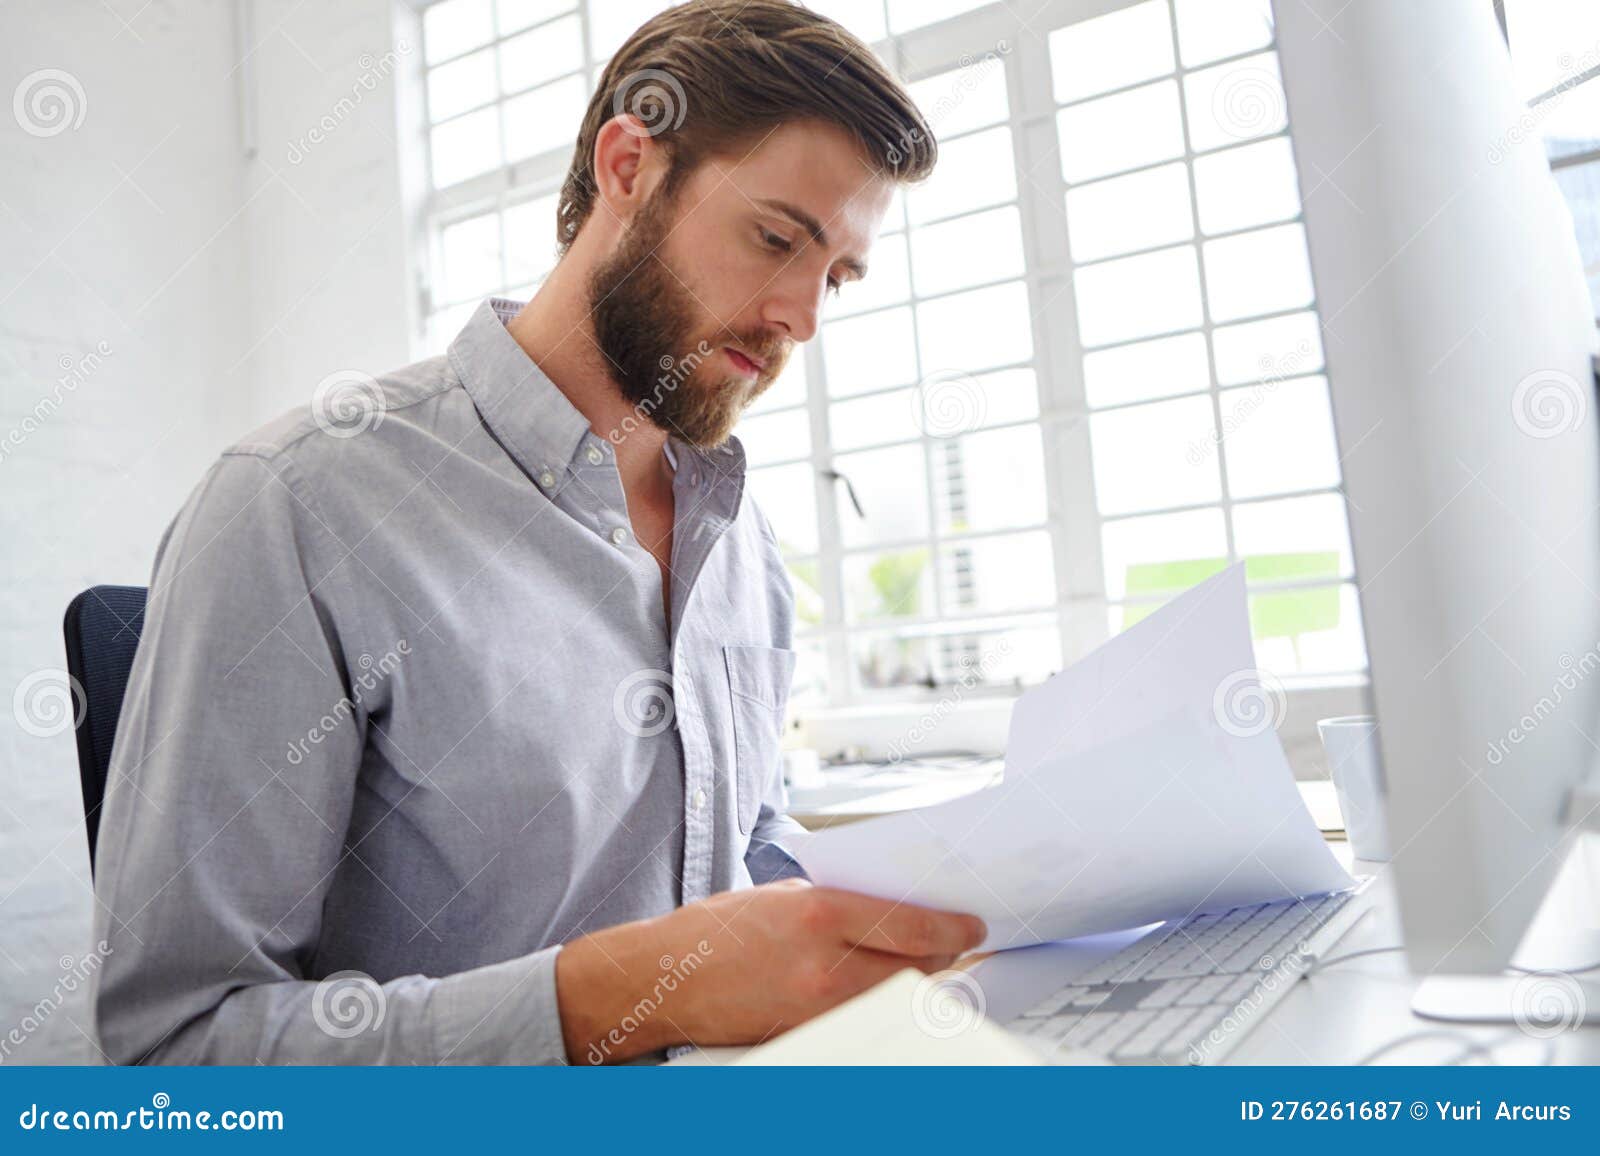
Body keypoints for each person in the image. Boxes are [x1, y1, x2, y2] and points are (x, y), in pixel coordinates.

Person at [92, 0, 985, 1065]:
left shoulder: (741, 541)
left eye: (834, 275)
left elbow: (743, 845)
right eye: (775, 238)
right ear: (627, 165)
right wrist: (626, 995)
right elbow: (173, 1045)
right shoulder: (296, 506)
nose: (800, 314)